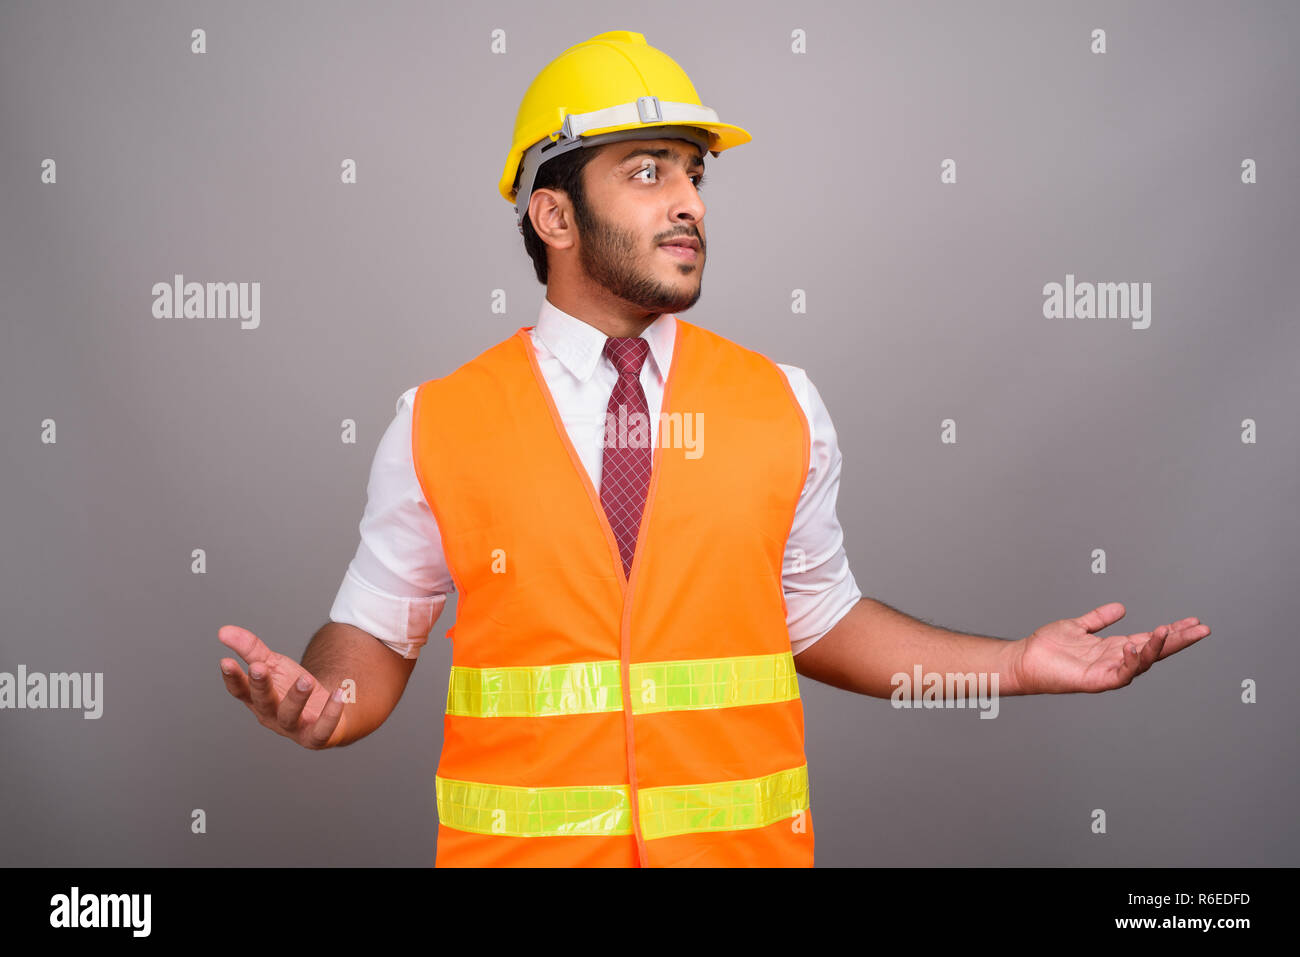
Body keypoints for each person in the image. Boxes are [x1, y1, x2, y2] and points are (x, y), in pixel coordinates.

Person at [217, 31, 1210, 867]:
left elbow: (814, 617)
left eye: (693, 173)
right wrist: (327, 700)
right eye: (647, 171)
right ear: (553, 214)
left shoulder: (781, 403)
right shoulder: (437, 420)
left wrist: (1015, 665)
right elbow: (377, 636)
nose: (688, 200)